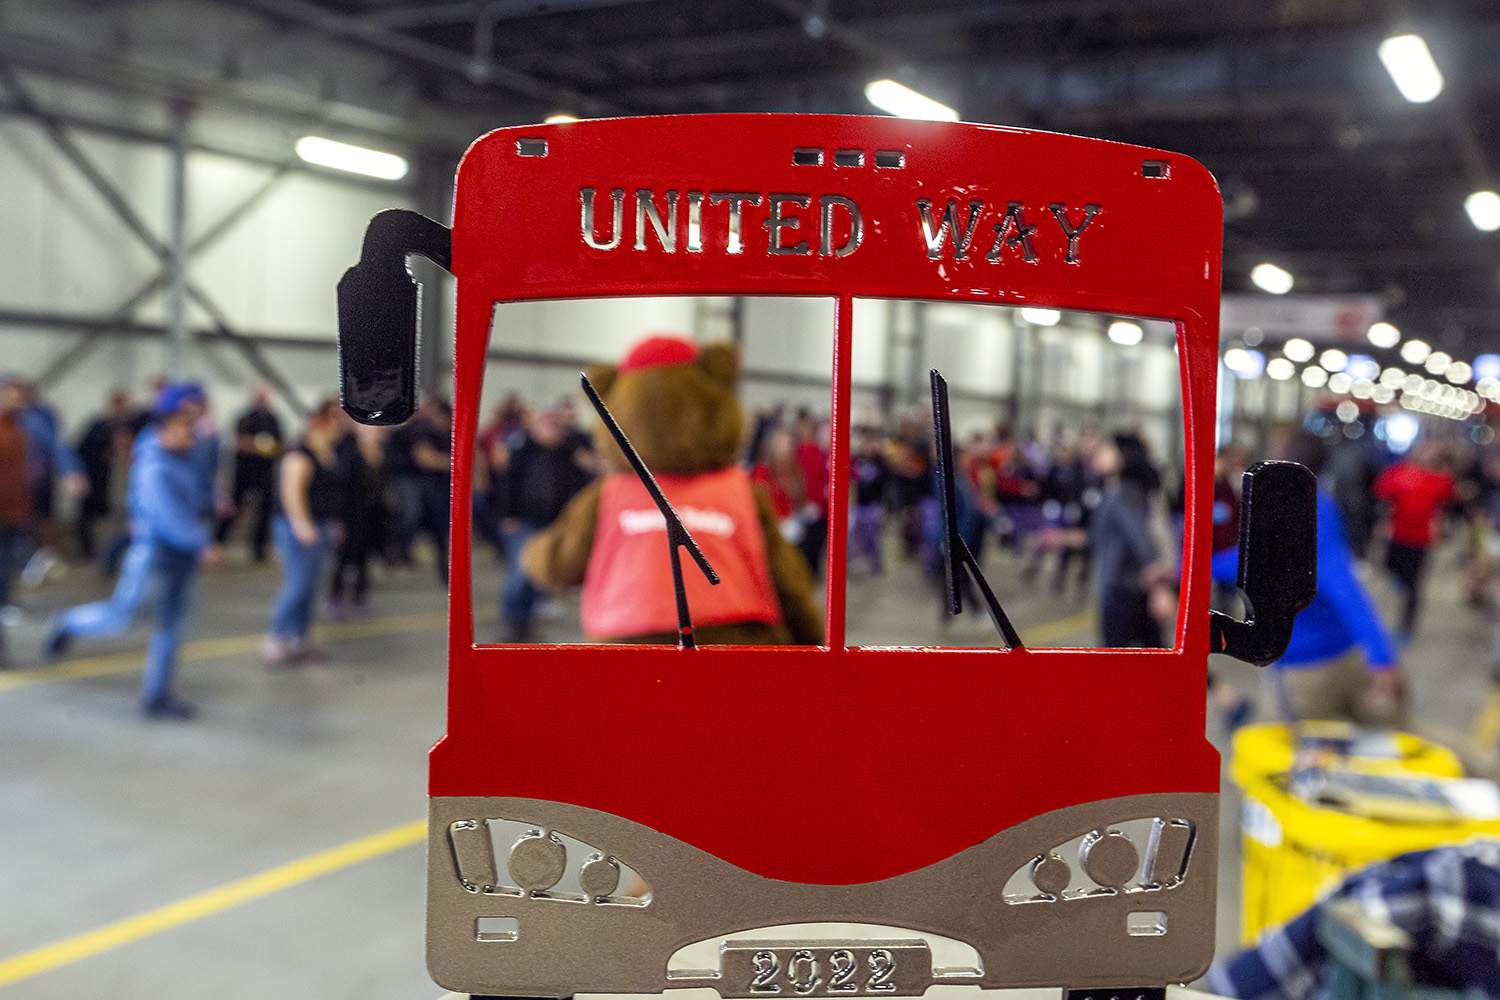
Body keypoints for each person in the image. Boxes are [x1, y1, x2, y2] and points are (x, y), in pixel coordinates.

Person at [44, 384, 220, 718]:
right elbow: (168, 515)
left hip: (181, 555)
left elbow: (202, 491)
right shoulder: (155, 464)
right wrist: (202, 542)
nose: (191, 437)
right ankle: (67, 623)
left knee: (172, 625)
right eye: (185, 430)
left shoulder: (185, 456)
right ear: (165, 430)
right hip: (155, 554)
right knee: (122, 615)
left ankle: (157, 696)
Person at [1268, 430, 1404, 726]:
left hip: (1310, 667)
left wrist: (1382, 657)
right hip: (1341, 651)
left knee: (1314, 759)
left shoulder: (1303, 512)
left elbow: (1344, 587)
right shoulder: (1320, 503)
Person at [489, 404, 596, 642]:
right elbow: (507, 482)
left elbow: (583, 483)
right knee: (520, 571)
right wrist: (507, 515)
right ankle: (514, 618)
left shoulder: (568, 452)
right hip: (523, 521)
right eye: (543, 422)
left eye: (552, 423)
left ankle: (526, 615)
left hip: (555, 522)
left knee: (541, 570)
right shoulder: (521, 448)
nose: (548, 428)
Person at [262, 401, 345, 665]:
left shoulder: (327, 452)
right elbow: (291, 493)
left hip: (320, 525)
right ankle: (275, 638)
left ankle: (300, 639)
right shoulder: (299, 453)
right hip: (295, 526)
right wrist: (301, 525)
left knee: (311, 587)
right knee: (297, 585)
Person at [1089, 433, 1174, 648]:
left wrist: (1159, 588)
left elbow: (1142, 540)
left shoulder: (1124, 494)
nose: (1098, 454)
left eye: (1107, 449)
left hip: (1126, 591)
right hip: (1124, 588)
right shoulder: (1115, 491)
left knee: (1118, 662)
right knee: (1153, 656)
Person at [1373, 440, 1456, 644]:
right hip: (1397, 536)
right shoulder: (1399, 473)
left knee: (1413, 586)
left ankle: (1406, 626)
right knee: (1391, 567)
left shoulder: (1440, 480)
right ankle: (1398, 578)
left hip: (1421, 540)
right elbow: (1381, 492)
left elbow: (1450, 501)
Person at [213, 386, 283, 563]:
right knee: (234, 507)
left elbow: (279, 445)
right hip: (244, 471)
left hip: (265, 472)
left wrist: (262, 446)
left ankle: (259, 551)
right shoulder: (245, 418)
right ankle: (217, 543)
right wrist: (260, 446)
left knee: (265, 510)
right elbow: (239, 442)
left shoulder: (272, 419)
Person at [329, 419, 386, 615]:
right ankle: (336, 595)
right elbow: (342, 488)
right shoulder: (350, 452)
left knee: (362, 557)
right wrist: (339, 519)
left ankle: (360, 594)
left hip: (368, 515)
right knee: (344, 557)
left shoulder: (377, 454)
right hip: (349, 514)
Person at [73, 391, 138, 563]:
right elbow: (82, 451)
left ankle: (110, 557)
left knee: (118, 521)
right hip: (98, 482)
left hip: (122, 484)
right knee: (96, 521)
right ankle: (95, 555)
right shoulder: (98, 427)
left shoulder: (133, 427)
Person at [0, 380, 34, 660]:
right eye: (8, 396)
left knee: (5, 578)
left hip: (14, 514)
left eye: (16, 396)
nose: (13, 401)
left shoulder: (21, 429)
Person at [849, 426, 890, 575]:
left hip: (874, 505)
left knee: (874, 538)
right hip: (858, 505)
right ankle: (849, 567)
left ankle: (877, 566)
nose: (869, 446)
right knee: (854, 540)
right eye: (866, 442)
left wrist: (884, 507)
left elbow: (886, 486)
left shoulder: (881, 463)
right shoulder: (855, 460)